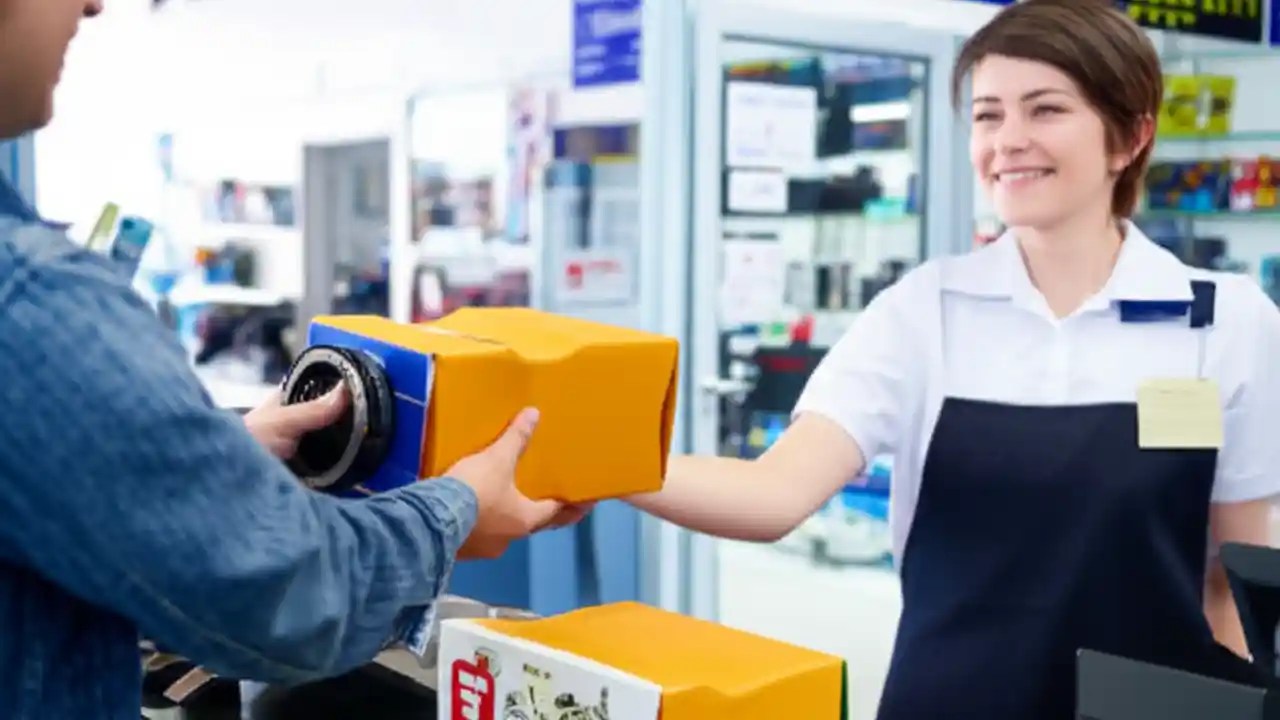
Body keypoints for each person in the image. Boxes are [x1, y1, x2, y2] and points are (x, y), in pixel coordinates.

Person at [628, 1, 1280, 718]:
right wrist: (598, 464)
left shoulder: (1223, 320)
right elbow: (774, 494)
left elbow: (1232, 583)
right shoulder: (923, 313)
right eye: (988, 115)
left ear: (1130, 135)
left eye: (1046, 110)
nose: (1009, 141)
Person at [0, 1, 584, 718]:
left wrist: (219, 464)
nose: (92, 6)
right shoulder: (35, 301)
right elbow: (292, 596)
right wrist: (457, 511)